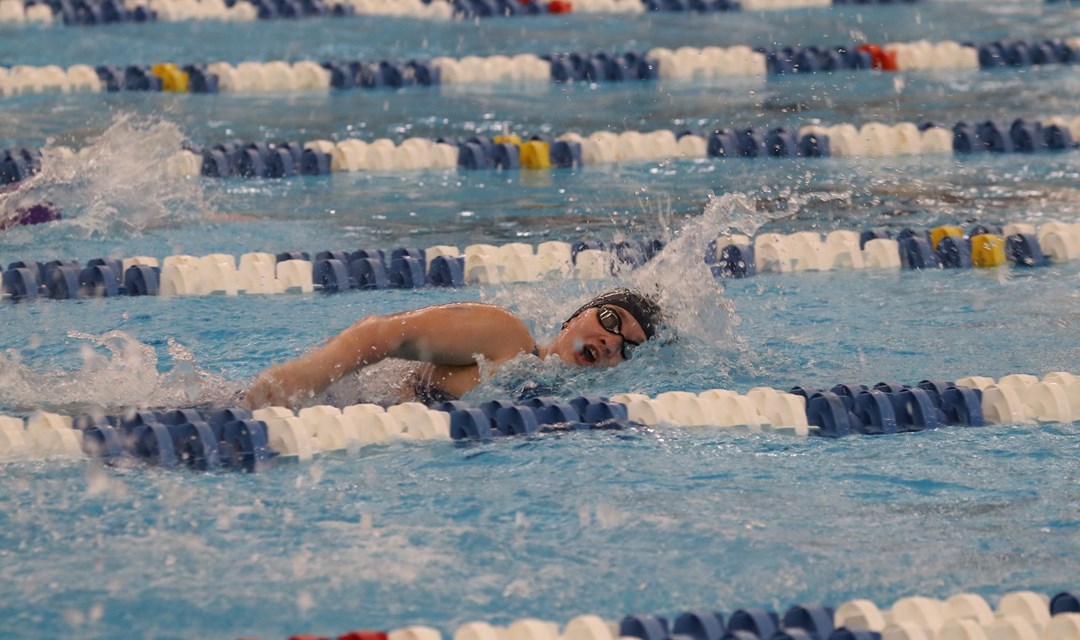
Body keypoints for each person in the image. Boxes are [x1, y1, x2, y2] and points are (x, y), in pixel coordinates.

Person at [243, 287, 663, 409]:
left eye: (628, 347)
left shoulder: (561, 406)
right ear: (573, 317)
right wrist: (299, 378)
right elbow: (383, 334)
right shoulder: (508, 338)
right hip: (305, 415)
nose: (611, 341)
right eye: (610, 320)